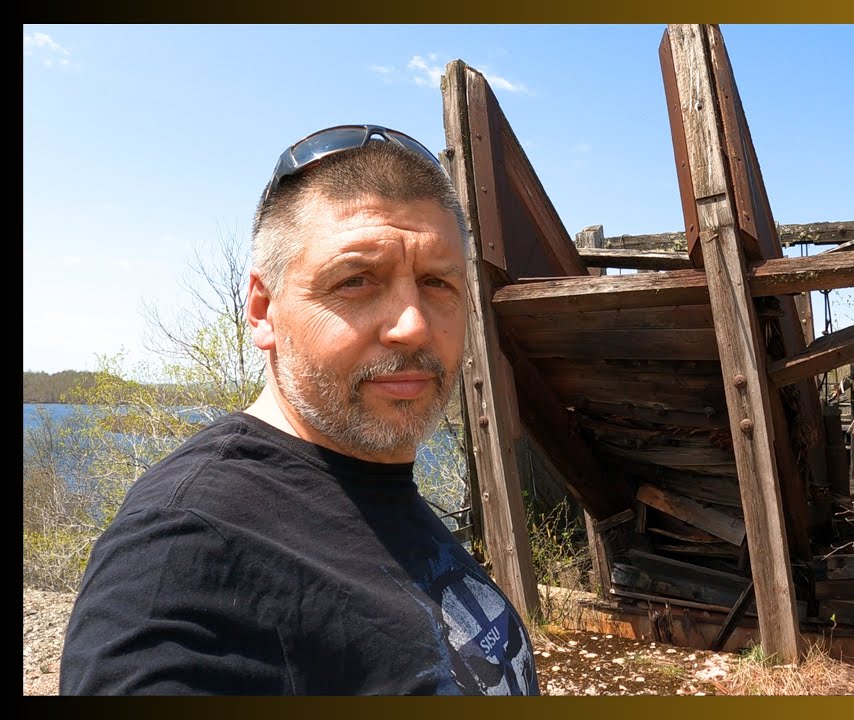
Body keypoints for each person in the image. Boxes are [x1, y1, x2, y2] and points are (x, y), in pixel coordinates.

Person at [59, 125, 539, 696]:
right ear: (263, 311)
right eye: (356, 280)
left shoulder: (376, 483)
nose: (413, 325)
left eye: (438, 282)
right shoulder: (184, 547)